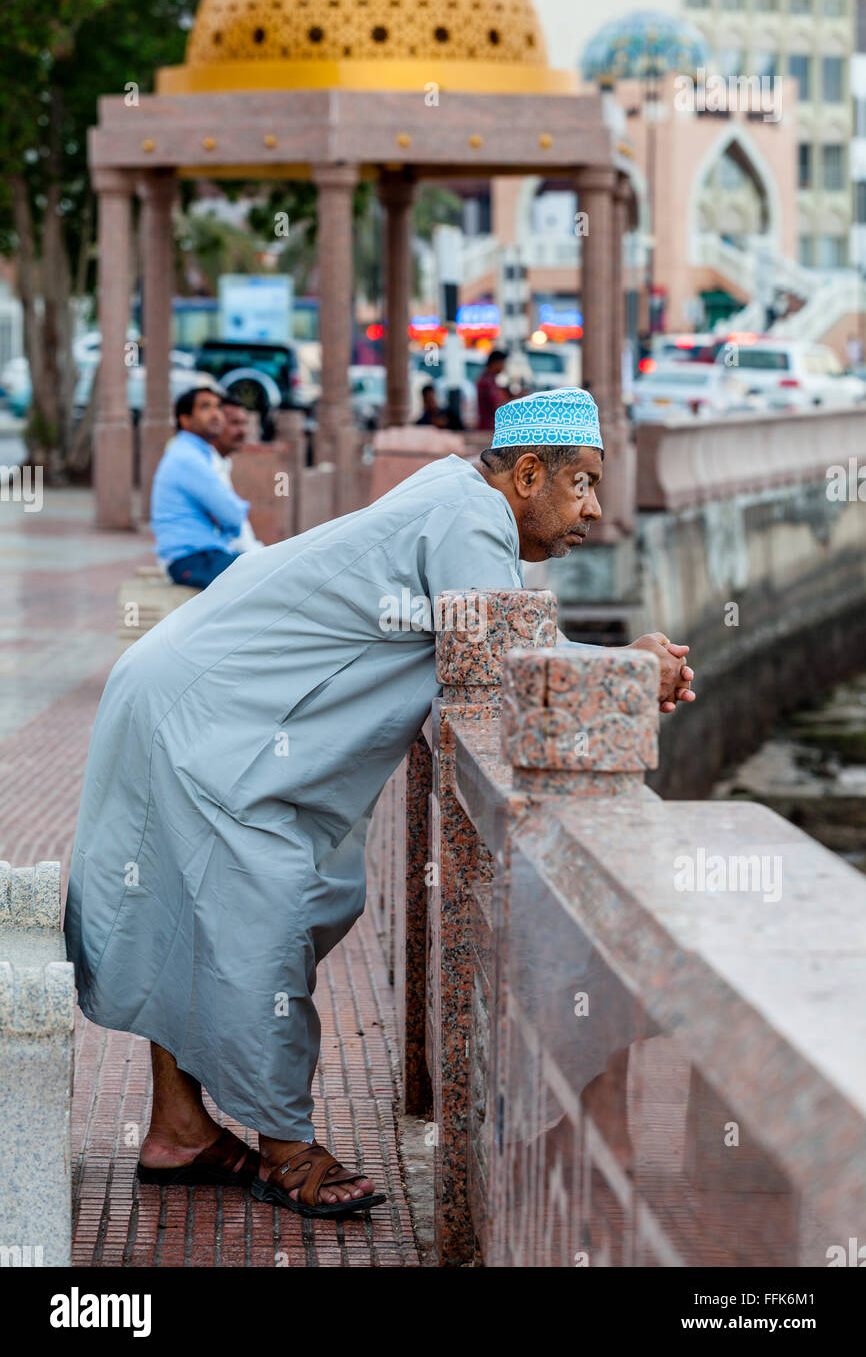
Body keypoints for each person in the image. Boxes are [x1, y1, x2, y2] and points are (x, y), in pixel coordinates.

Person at [65, 387, 695, 1220]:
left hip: (187, 696)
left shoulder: (461, 499)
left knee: (202, 912)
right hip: (204, 720)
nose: (594, 509)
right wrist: (634, 666)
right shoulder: (469, 519)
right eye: (581, 485)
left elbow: (496, 638)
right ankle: (287, 1149)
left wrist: (623, 662)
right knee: (260, 914)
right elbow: (514, 662)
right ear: (529, 473)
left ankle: (178, 1132)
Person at [150, 387, 252, 589]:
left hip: (206, 555)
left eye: (218, 408)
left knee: (268, 572)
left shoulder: (197, 454)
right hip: (192, 559)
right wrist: (229, 517)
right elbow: (232, 515)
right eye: (205, 407)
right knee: (263, 582)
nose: (216, 414)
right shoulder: (187, 457)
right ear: (185, 420)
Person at [210, 396, 264, 553]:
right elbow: (233, 522)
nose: (243, 431)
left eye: (244, 423)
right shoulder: (204, 463)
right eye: (234, 423)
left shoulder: (223, 462)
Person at [476, 348, 512, 431]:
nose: (504, 366)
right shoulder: (487, 382)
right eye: (503, 363)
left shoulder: (488, 379)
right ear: (496, 363)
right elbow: (498, 406)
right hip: (489, 428)